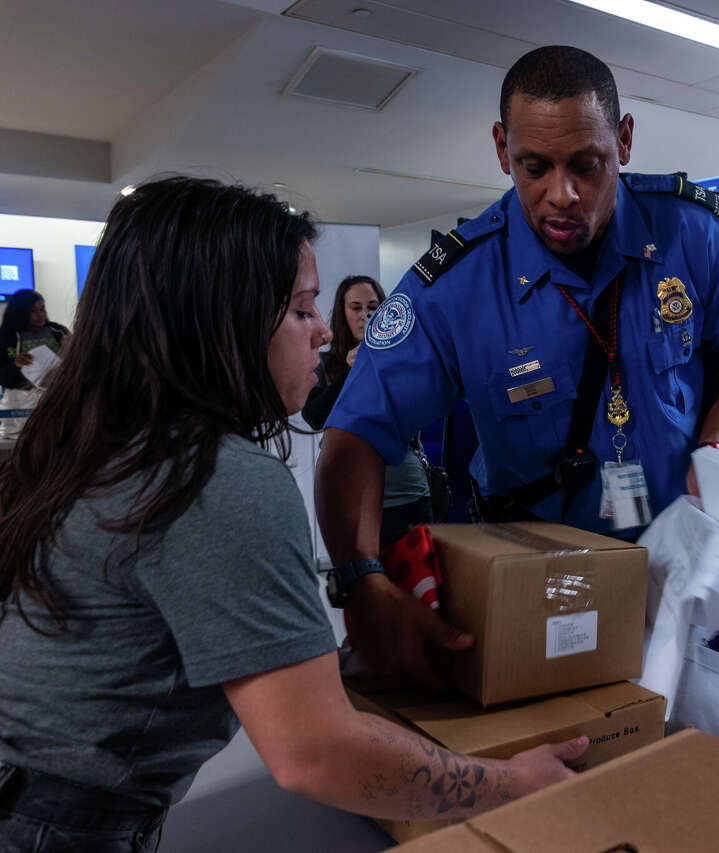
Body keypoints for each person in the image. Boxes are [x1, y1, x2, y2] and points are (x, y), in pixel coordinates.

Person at [0, 177, 585, 853]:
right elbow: (314, 752)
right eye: (304, 308)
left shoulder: (95, 444)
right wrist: (508, 783)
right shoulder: (212, 477)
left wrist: (329, 656)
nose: (325, 332)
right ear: (227, 319)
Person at [315, 45, 719, 680]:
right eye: (534, 167)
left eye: (588, 165)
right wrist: (361, 580)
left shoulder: (692, 234)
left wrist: (714, 454)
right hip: (541, 580)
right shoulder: (455, 285)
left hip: (679, 557)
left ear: (626, 139)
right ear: (503, 150)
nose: (562, 194)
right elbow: (353, 437)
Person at [302, 274, 433, 548]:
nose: (365, 315)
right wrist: (353, 371)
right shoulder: (325, 364)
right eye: (356, 308)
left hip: (406, 492)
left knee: (416, 581)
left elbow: (423, 410)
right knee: (359, 584)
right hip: (349, 496)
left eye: (373, 307)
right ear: (342, 312)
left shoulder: (402, 358)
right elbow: (314, 416)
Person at [0, 289, 70, 438]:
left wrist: (72, 351)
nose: (40, 314)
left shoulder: (58, 331)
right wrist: (16, 365)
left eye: (42, 309)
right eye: (33, 310)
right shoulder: (6, 336)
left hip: (56, 399)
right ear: (20, 312)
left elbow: (78, 366)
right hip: (20, 404)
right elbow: (3, 377)